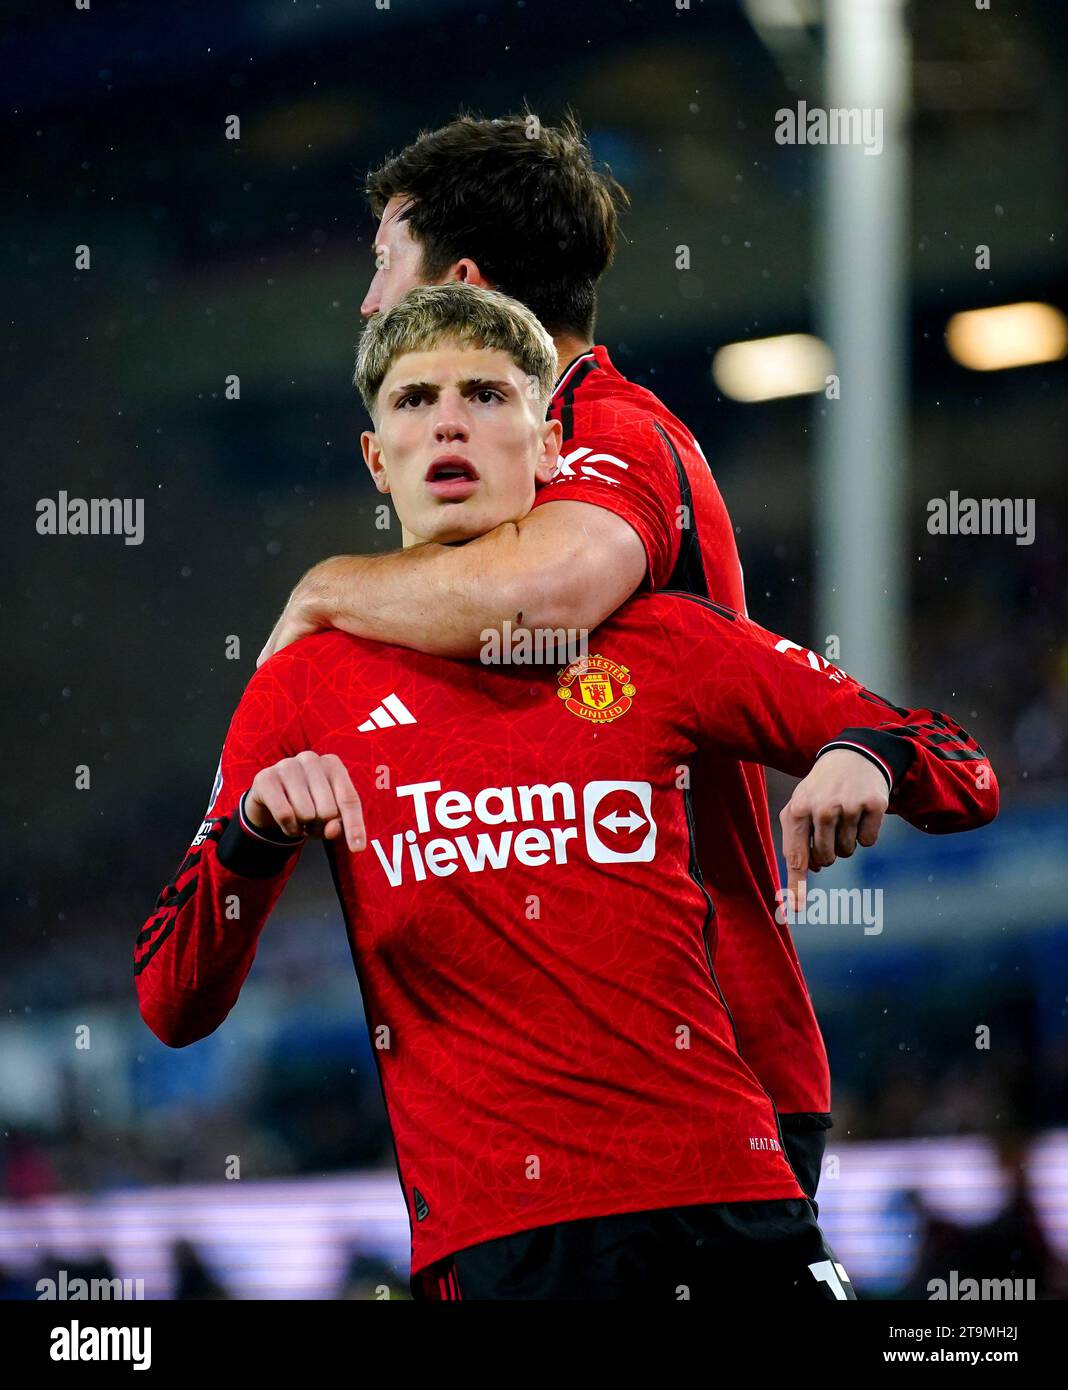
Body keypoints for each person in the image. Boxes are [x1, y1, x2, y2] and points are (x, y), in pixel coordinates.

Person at [136, 284, 998, 1300]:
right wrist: (252, 834)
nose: (448, 420)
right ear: (377, 460)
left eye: (486, 397)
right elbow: (171, 998)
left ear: (550, 447)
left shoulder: (657, 637)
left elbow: (959, 764)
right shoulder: (302, 685)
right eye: (413, 401)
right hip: (504, 1245)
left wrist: (870, 756)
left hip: (731, 1204)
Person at [255, 110, 836, 1200]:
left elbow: (541, 594)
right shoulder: (522, 459)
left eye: (385, 266)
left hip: (705, 1068)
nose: (368, 301)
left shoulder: (611, 426)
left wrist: (325, 591)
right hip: (578, 1082)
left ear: (462, 284)